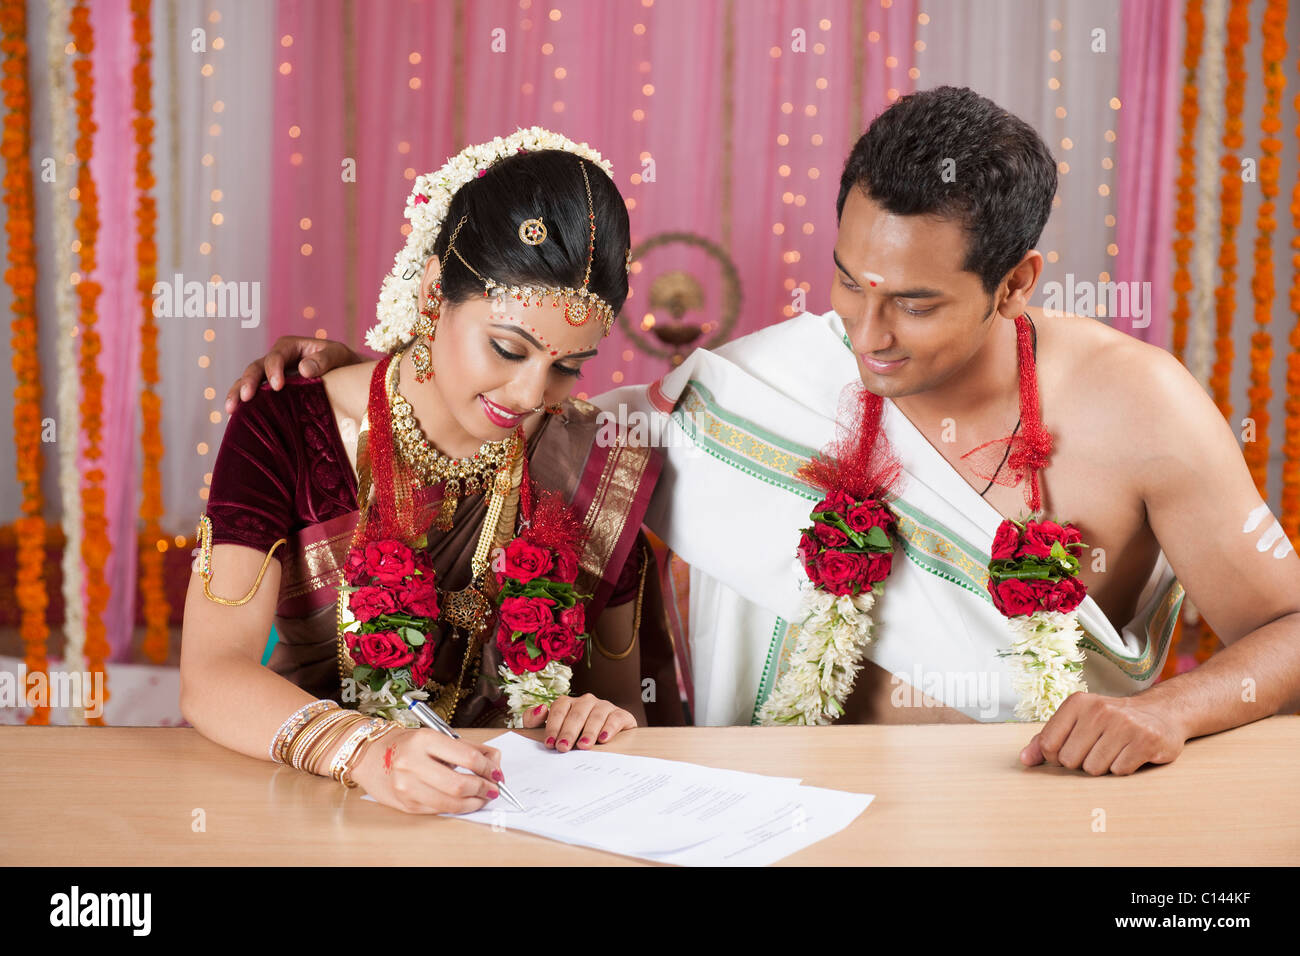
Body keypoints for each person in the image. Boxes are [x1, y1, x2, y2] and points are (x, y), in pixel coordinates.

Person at [231, 89, 1300, 777]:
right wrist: (376, 372)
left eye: (914, 303)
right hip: (788, 818)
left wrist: (1174, 709)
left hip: (1039, 825)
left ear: (1015, 283)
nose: (867, 334)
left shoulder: (1138, 406)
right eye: (848, 281)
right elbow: (546, 421)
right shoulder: (773, 383)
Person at [183, 131, 682, 818]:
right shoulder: (288, 426)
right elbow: (211, 675)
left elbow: (626, 712)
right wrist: (368, 753)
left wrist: (595, 717)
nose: (531, 394)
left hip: (512, 816)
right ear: (430, 294)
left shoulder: (593, 461)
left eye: (567, 366)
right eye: (507, 348)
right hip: (320, 807)